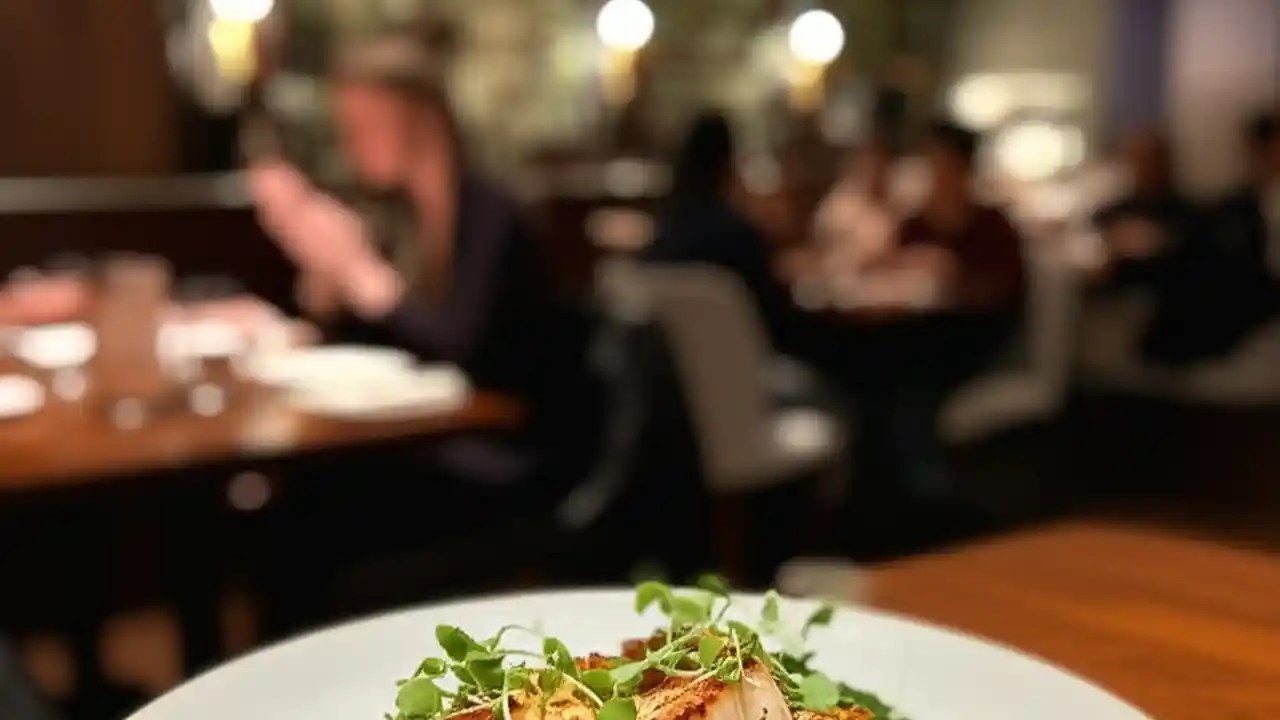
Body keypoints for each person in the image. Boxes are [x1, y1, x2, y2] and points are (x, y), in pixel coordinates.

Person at [645, 112, 795, 349]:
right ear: (728, 163)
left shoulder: (664, 234)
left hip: (677, 378)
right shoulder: (739, 236)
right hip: (752, 370)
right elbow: (775, 316)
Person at [1091, 130, 1197, 291]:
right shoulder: (1112, 213)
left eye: (1150, 160)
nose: (1143, 167)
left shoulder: (1188, 215)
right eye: (1136, 160)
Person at [811, 139, 900, 274]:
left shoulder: (890, 202)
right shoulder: (838, 206)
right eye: (869, 166)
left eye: (879, 167)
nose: (875, 173)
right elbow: (823, 248)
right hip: (843, 276)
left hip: (883, 274)